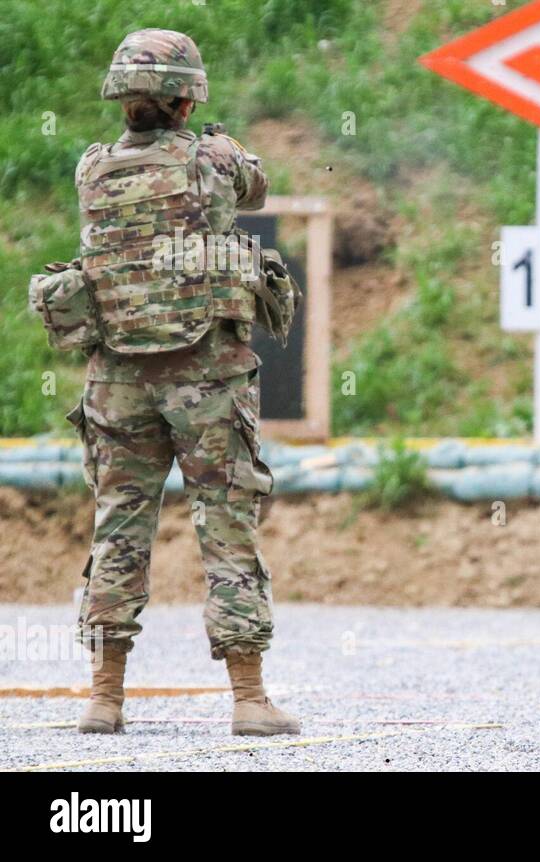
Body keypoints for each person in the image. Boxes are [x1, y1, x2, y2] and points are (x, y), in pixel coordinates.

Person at [62, 29, 298, 735]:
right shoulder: (214, 160)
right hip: (207, 380)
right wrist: (225, 147)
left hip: (117, 379)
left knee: (118, 531)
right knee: (227, 525)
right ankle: (250, 699)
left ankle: (104, 697)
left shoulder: (92, 168)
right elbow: (257, 184)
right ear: (187, 98)